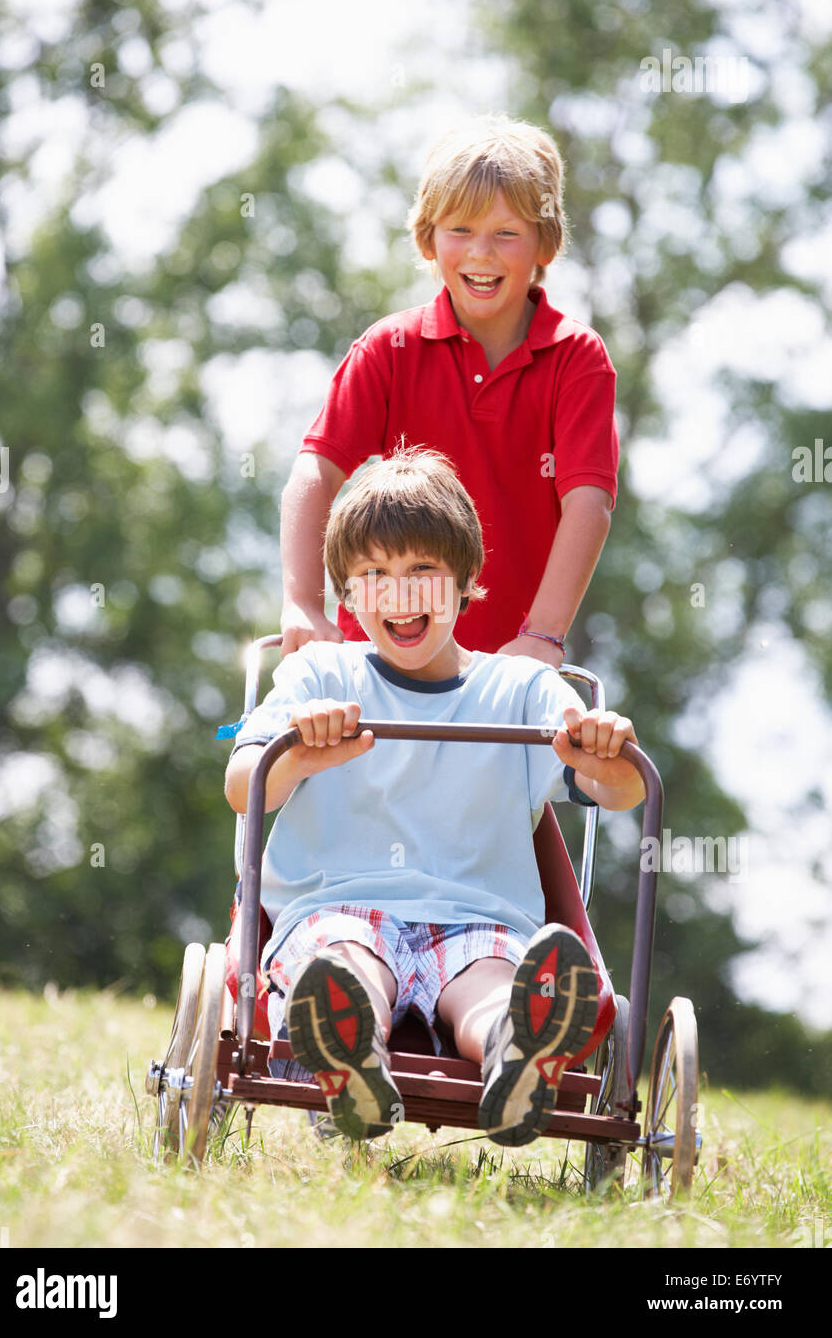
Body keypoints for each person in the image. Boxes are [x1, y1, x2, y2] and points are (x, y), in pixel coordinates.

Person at [225, 448, 643, 1145]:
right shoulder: (317, 674)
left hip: (477, 918)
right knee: (347, 958)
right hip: (338, 908)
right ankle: (350, 1047)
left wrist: (607, 751)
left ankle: (518, 1050)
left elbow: (620, 791)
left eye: (423, 571)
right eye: (375, 576)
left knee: (489, 983)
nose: (402, 594)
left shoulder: (520, 691)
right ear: (348, 596)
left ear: (464, 583)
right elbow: (245, 788)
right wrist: (297, 751)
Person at [279, 114, 618, 670]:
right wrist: (302, 605)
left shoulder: (576, 358)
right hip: (378, 662)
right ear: (429, 239)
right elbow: (314, 473)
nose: (481, 253)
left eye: (506, 232)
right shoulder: (390, 348)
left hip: (505, 671)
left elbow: (588, 503)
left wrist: (544, 637)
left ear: (544, 245)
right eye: (460, 229)